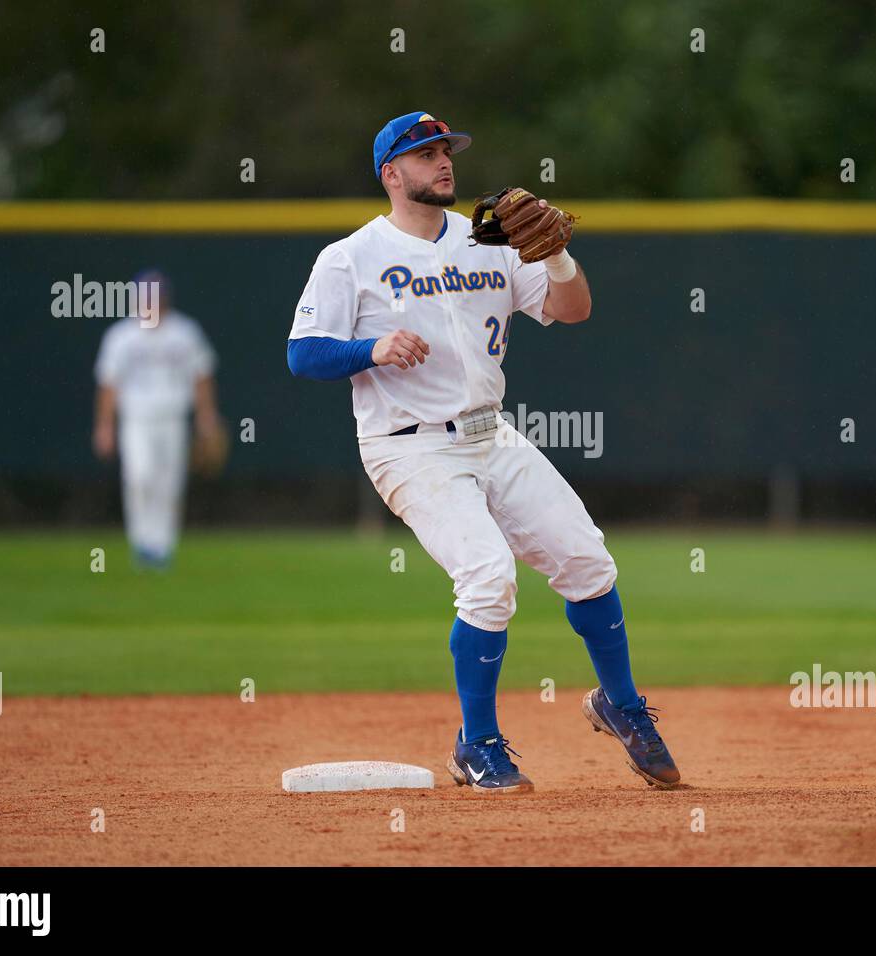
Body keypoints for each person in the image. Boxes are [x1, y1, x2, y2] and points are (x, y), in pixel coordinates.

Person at [286, 110, 680, 792]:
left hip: (489, 433)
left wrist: (556, 254)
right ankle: (477, 744)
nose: (444, 161)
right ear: (391, 174)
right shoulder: (351, 257)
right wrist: (370, 348)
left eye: (447, 150)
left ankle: (619, 703)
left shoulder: (490, 242)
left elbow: (574, 308)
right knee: (489, 577)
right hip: (408, 447)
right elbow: (302, 353)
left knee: (587, 559)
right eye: (425, 153)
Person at [93, 269, 221, 570]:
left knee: (169, 483)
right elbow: (109, 384)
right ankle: (142, 541)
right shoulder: (121, 335)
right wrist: (104, 425)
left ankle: (162, 547)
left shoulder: (184, 331)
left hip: (173, 418)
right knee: (141, 476)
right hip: (136, 419)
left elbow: (202, 375)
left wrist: (206, 416)